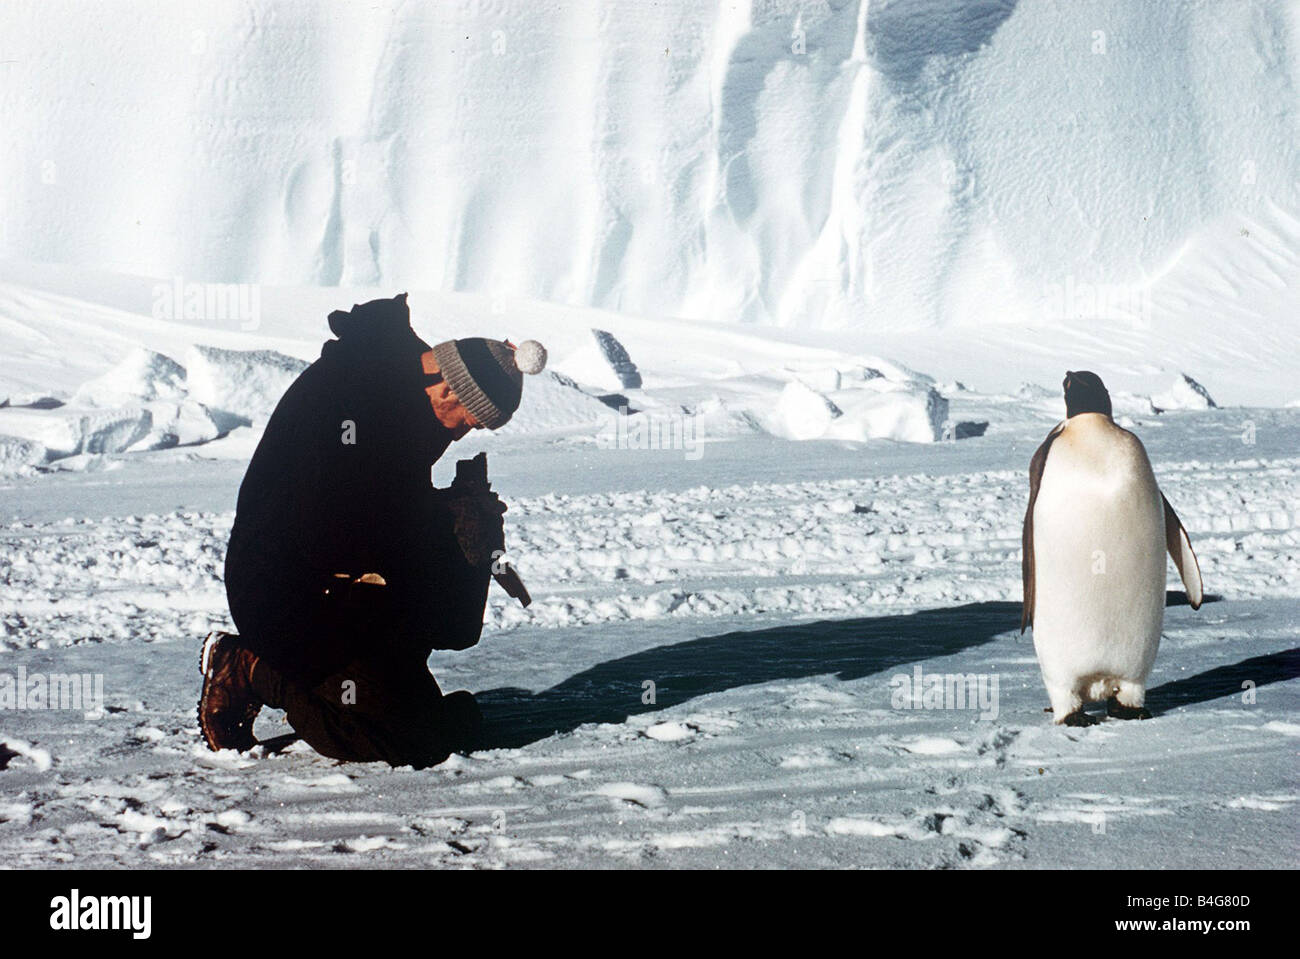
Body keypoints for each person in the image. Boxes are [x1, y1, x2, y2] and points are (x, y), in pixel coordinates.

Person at [198, 292, 546, 768]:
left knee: (429, 718)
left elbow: (384, 513)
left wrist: (459, 518)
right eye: (468, 422)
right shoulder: (355, 405)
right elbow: (330, 533)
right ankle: (254, 668)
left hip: (341, 595)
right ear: (448, 388)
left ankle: (387, 689)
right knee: (415, 742)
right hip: (285, 601)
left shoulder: (401, 391)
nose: (463, 434)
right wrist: (443, 525)